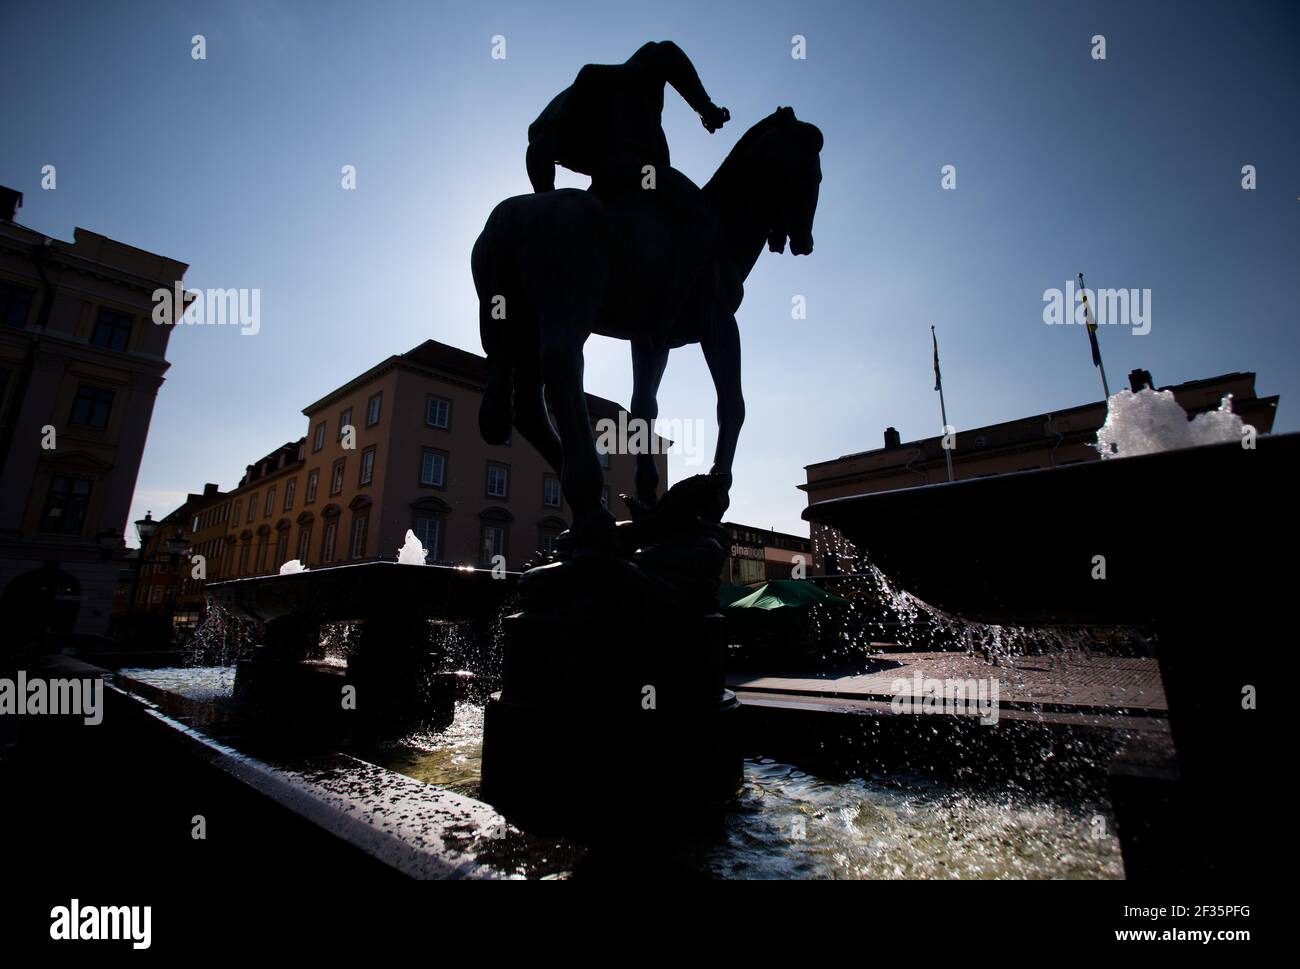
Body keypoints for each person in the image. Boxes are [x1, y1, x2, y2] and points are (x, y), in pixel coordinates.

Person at [526, 41, 729, 338]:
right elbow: (667, 53)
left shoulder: (587, 93)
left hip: (605, 187)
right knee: (704, 218)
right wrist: (705, 108)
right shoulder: (620, 76)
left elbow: (538, 149)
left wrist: (546, 202)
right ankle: (666, 315)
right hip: (640, 174)